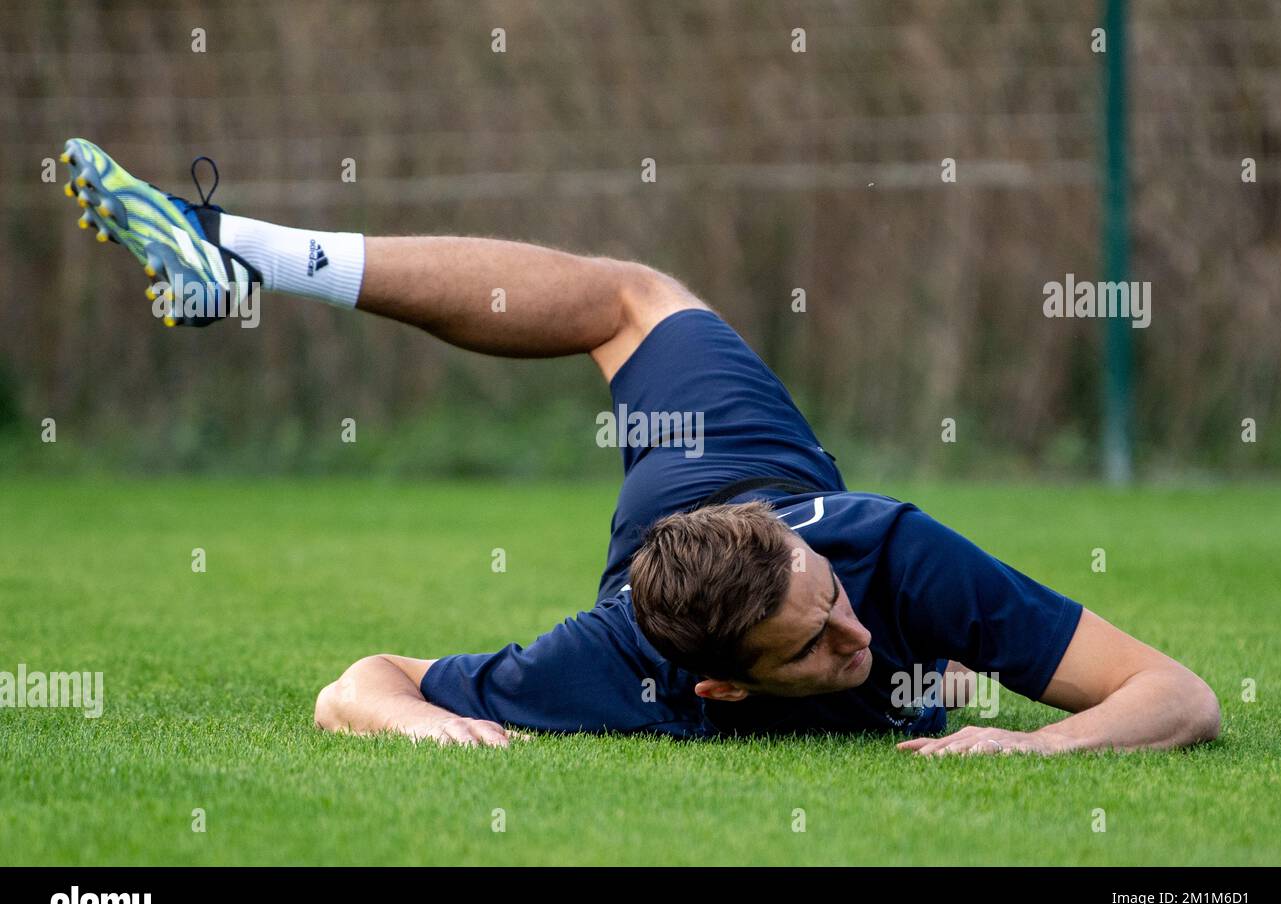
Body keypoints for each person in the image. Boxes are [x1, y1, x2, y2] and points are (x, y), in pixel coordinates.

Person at [59, 138, 1221, 757]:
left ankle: (233, 242)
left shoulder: (887, 556)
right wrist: (428, 728)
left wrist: (1032, 749)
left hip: (734, 465)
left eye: (835, 605)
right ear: (716, 686)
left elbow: (1181, 696)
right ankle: (222, 246)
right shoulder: (618, 666)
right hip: (671, 547)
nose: (853, 631)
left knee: (632, 298)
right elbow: (358, 686)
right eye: (812, 645)